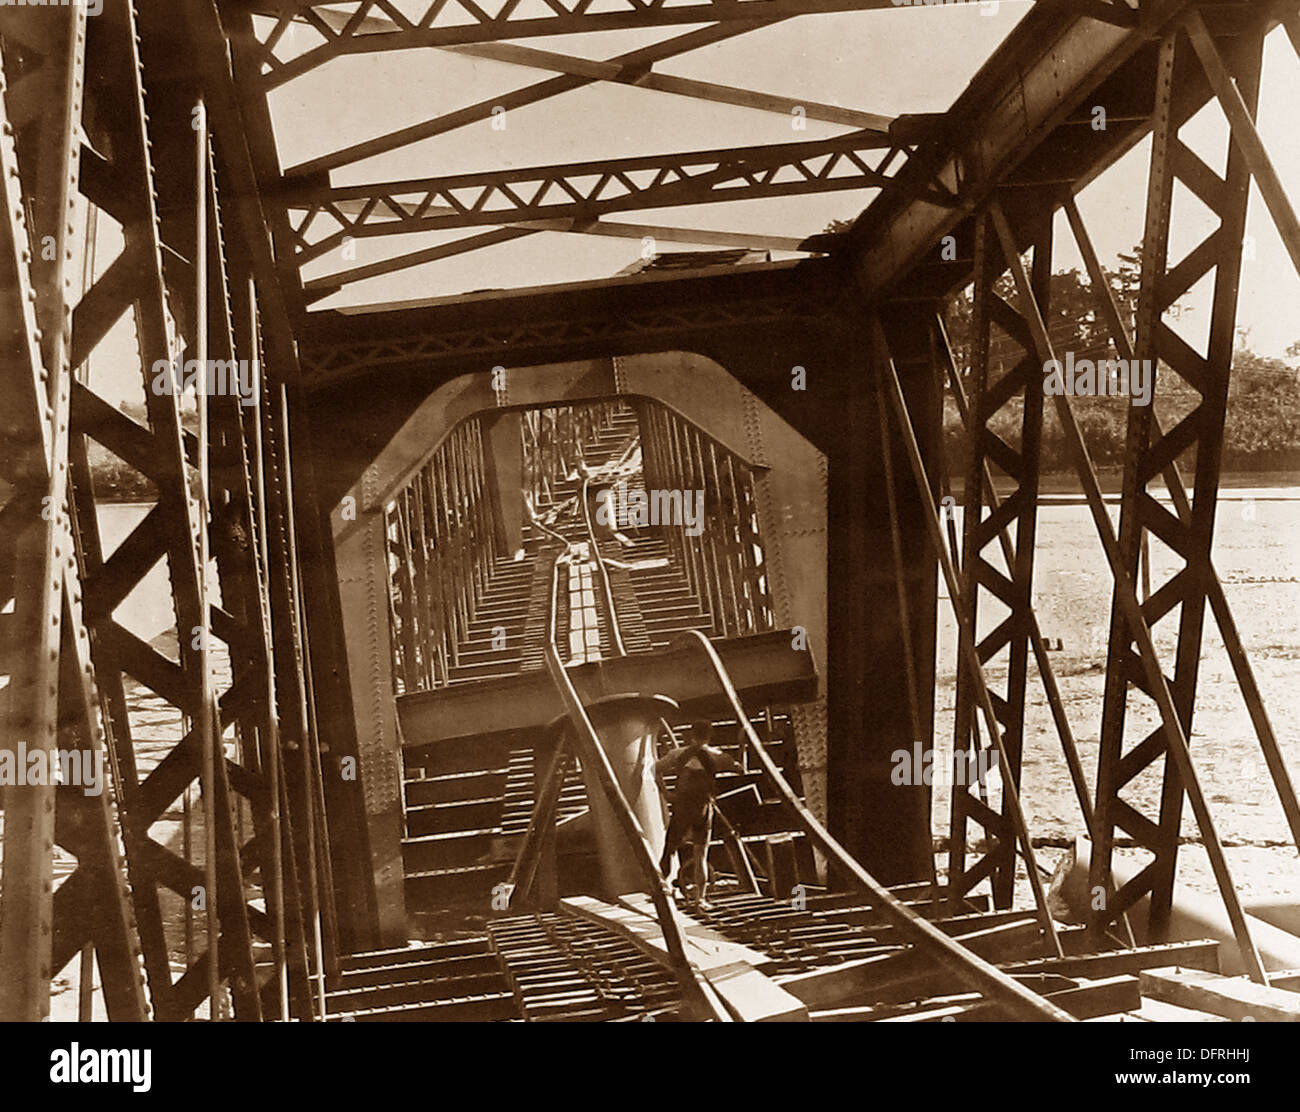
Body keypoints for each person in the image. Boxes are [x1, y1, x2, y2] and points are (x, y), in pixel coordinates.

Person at [654, 720, 743, 902]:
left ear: (690, 735)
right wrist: (742, 745)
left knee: (669, 850)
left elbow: (654, 770)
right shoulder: (717, 756)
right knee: (701, 855)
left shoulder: (678, 754)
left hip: (682, 808)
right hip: (703, 809)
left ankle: (663, 889)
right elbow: (740, 769)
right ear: (710, 735)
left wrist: (666, 793)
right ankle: (700, 900)